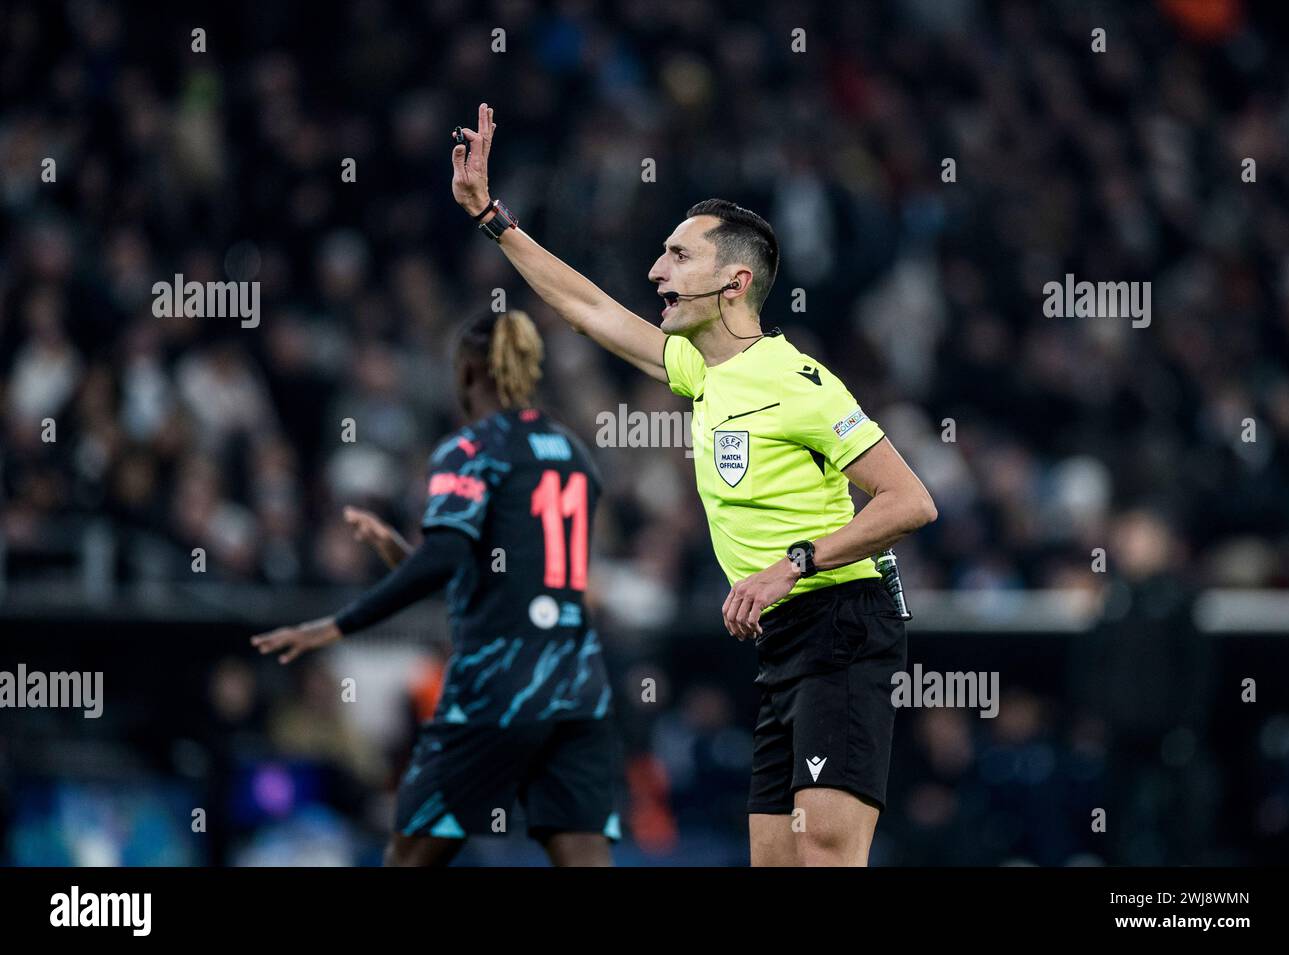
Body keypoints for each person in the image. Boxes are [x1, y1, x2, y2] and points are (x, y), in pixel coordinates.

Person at [450, 103, 937, 866]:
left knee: (827, 856)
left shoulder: (800, 381)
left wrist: (793, 565)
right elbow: (588, 310)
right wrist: (491, 218)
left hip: (844, 621)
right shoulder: (700, 371)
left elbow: (912, 500)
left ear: (735, 282)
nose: (656, 271)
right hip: (783, 639)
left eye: (678, 257)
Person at [251, 309, 620, 866]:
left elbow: (446, 560)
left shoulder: (470, 450)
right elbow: (498, 576)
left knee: (409, 856)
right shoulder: (574, 455)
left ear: (469, 372)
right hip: (576, 680)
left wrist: (335, 625)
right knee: (584, 857)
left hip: (499, 682)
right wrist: (401, 552)